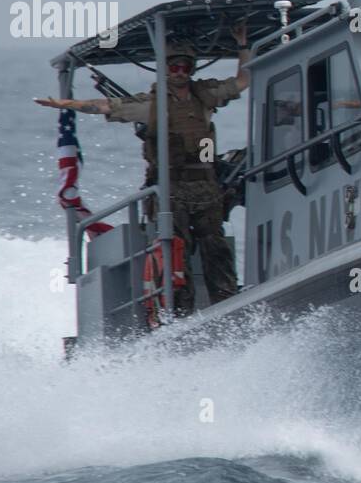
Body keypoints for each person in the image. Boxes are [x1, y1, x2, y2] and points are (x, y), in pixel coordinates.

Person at [36, 24, 251, 314]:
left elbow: (242, 81)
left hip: (206, 187)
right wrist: (66, 104)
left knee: (216, 248)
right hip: (170, 190)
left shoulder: (206, 96)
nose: (179, 72)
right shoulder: (151, 105)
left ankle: (227, 305)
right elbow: (104, 106)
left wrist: (241, 45)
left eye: (185, 66)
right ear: (165, 69)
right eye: (174, 66)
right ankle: (181, 314)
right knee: (175, 251)